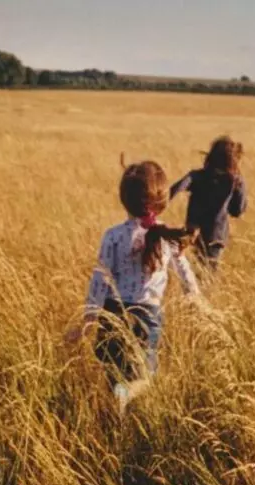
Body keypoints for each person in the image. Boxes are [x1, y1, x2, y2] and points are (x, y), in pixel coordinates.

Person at [67, 160, 202, 411]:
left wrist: (87, 322)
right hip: (145, 317)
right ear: (161, 201)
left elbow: (100, 280)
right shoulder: (167, 237)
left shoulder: (113, 236)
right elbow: (186, 276)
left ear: (124, 198)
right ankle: (126, 396)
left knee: (114, 371)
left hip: (112, 313)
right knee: (145, 377)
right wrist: (197, 303)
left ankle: (118, 407)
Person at [170, 136, 248, 270]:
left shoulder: (197, 176)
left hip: (193, 232)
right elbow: (237, 210)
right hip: (216, 236)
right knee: (209, 272)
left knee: (195, 268)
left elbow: (175, 189)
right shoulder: (235, 181)